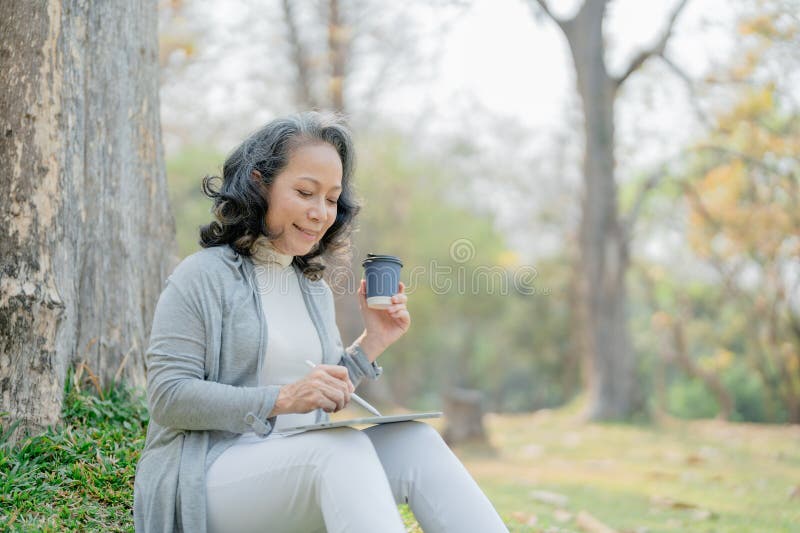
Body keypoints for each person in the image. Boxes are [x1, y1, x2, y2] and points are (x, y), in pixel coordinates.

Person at [133, 112, 509, 533]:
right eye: (305, 192)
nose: (320, 213)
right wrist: (282, 399)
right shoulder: (203, 275)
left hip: (299, 465)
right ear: (260, 183)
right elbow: (168, 396)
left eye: (331, 199)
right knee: (338, 449)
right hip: (207, 477)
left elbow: (319, 388)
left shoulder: (311, 287)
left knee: (415, 441)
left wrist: (372, 342)